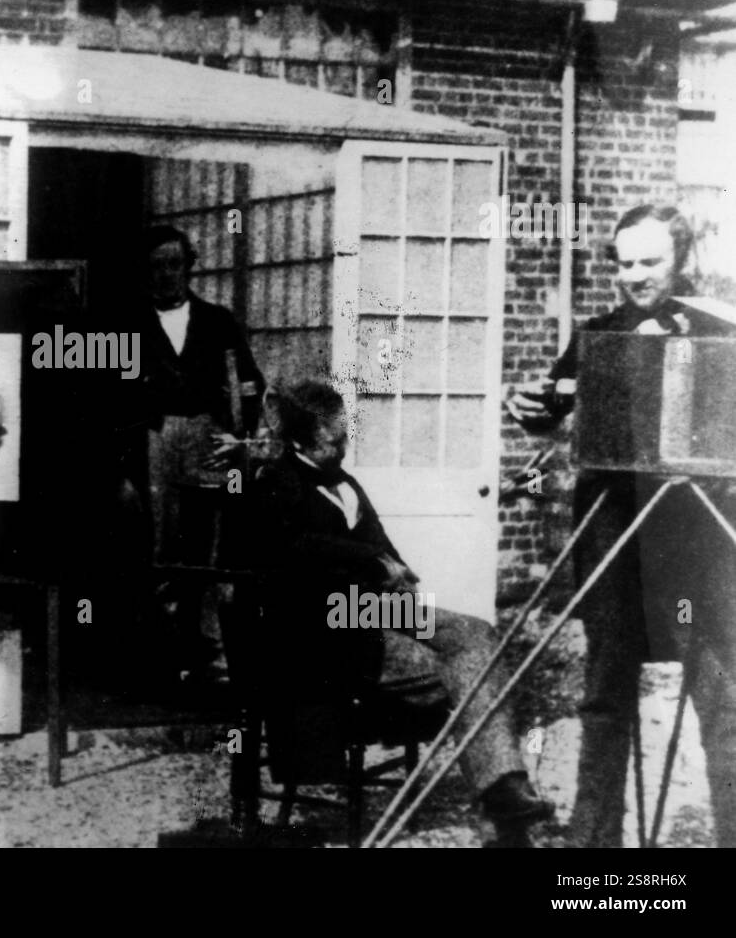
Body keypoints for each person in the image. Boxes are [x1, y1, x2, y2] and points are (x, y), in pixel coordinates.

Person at [507, 203, 736, 847]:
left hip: (696, 546)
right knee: (605, 696)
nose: (634, 276)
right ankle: (593, 853)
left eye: (650, 261)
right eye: (624, 262)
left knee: (720, 697)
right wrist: (528, 406)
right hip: (613, 538)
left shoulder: (723, 329)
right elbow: (551, 407)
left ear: (682, 258)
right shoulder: (597, 333)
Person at [254, 379, 554, 843]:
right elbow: (296, 549)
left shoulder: (347, 484)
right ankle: (501, 806)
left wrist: (401, 572)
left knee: (477, 635)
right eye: (335, 440)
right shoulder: (276, 483)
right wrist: (371, 563)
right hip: (333, 632)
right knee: (463, 671)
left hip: (382, 610)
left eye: (345, 434)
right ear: (300, 440)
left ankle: (504, 789)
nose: (345, 446)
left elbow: (384, 548)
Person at [124, 225, 265, 683]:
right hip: (156, 437)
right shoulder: (130, 324)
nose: (166, 274)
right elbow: (111, 396)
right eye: (156, 266)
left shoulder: (217, 319)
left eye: (174, 263)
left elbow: (249, 383)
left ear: (189, 266)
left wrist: (237, 437)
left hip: (208, 439)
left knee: (208, 545)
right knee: (160, 547)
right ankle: (163, 658)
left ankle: (208, 655)